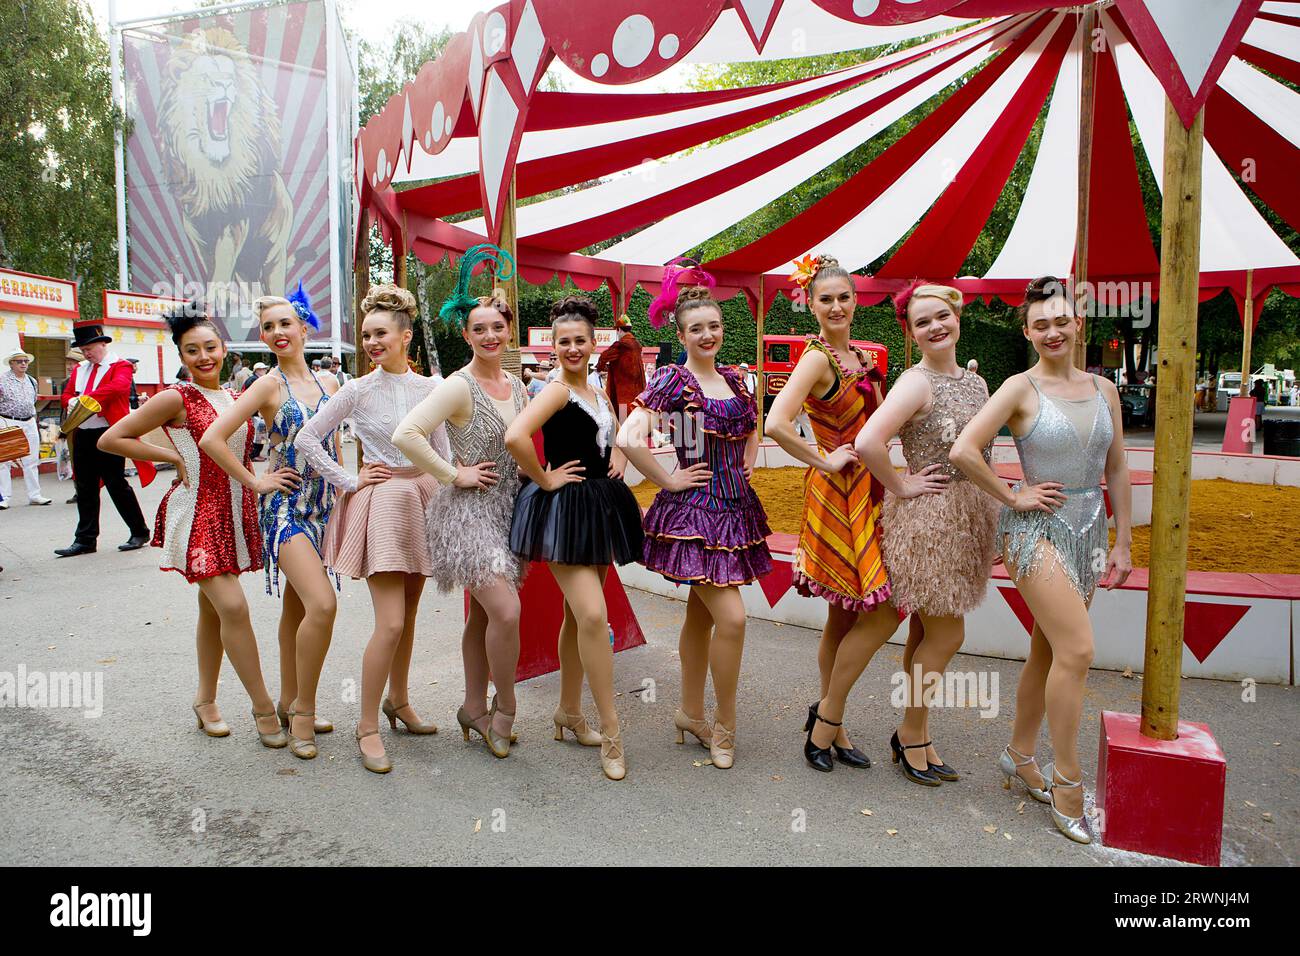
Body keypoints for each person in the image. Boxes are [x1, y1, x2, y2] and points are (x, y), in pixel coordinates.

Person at [951, 275, 1132, 844]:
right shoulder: (1018, 388)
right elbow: (963, 450)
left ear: (1078, 323)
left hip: (1089, 532)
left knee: (1048, 649)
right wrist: (1012, 494)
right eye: (1041, 324)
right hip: (1035, 533)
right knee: (1078, 649)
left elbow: (1118, 468)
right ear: (1027, 331)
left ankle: (1019, 754)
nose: (1053, 331)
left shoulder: (1105, 390)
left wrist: (1123, 539)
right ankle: (1067, 780)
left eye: (1062, 321)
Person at [97, 305, 288, 749]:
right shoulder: (175, 397)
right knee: (235, 610)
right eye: (192, 350)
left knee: (213, 610)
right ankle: (263, 708)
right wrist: (174, 457)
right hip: (198, 512)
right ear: (181, 355)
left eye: (210, 347)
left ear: (224, 349)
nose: (203, 356)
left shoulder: (232, 394)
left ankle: (204, 701)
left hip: (235, 512)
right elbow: (111, 439)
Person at [616, 263, 771, 770]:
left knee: (701, 615)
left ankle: (687, 712)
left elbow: (751, 426)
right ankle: (723, 724)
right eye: (697, 328)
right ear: (680, 334)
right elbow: (626, 437)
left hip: (735, 508)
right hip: (696, 510)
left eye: (715, 326)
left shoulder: (733, 378)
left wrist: (747, 458)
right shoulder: (672, 380)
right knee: (732, 618)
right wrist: (668, 479)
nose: (708, 335)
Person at [297, 283, 450, 774]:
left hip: (424, 499)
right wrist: (350, 479)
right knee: (389, 622)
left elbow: (443, 454)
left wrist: (450, 498)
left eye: (380, 333)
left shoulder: (432, 390)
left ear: (406, 336)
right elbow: (307, 438)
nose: (371, 342)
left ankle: (399, 702)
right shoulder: (358, 389)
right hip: (383, 503)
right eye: (366, 335)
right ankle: (366, 726)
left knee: (409, 613)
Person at [854, 282, 1000, 786]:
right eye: (922, 322)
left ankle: (917, 732)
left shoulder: (978, 383)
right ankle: (911, 731)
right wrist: (900, 483)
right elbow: (868, 440)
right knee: (948, 632)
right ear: (911, 333)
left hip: (967, 518)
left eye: (942, 316)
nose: (935, 326)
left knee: (924, 631)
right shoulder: (916, 383)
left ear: (957, 318)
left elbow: (982, 453)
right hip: (930, 521)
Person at [392, 245, 527, 764]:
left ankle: (472, 706)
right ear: (466, 334)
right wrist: (454, 473)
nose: (490, 335)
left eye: (497, 326)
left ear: (507, 330)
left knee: (482, 619)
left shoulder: (516, 384)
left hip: (508, 512)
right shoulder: (458, 385)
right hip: (466, 516)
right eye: (480, 328)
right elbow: (408, 433)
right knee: (506, 611)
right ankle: (506, 707)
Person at [764, 254, 898, 773]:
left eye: (844, 297)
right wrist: (824, 457)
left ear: (855, 301)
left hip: (868, 490)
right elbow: (777, 422)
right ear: (811, 304)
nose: (837, 306)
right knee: (849, 609)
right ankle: (828, 724)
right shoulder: (817, 358)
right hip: (836, 493)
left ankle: (830, 721)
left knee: (844, 614)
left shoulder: (860, 359)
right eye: (826, 299)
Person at [200, 285, 342, 760]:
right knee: (322, 605)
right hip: (283, 508)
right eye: (268, 327)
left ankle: (286, 701)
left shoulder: (330, 384)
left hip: (324, 508)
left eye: (286, 323)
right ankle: (303, 711)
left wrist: (346, 492)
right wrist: (254, 483)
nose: (278, 332)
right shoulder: (266, 386)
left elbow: (335, 448)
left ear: (305, 328)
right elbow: (213, 439)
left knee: (299, 610)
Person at [505, 294, 643, 781]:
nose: (572, 348)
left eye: (579, 340)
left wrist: (620, 459)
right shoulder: (556, 390)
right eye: (563, 341)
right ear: (552, 346)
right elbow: (515, 437)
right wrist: (543, 479)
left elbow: (615, 433)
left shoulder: (598, 389)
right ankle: (611, 731)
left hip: (597, 505)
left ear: (593, 341)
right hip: (562, 508)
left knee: (574, 616)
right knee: (592, 614)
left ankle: (568, 712)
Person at [54, 320, 156, 557]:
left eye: (89, 348)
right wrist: (71, 401)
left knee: (116, 483)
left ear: (102, 343)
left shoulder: (120, 365)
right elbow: (67, 393)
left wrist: (85, 400)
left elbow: (118, 389)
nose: (86, 353)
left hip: (109, 433)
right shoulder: (81, 369)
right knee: (85, 487)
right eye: (83, 349)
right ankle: (85, 539)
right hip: (83, 433)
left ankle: (139, 531)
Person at [0, 349, 53, 508]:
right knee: (5, 460)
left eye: (25, 361)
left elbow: (33, 399)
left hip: (29, 420)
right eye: (19, 361)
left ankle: (34, 494)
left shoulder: (32, 381)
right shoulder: (2, 380)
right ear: (11, 364)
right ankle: (5, 496)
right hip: (8, 420)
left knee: (31, 459)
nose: (23, 364)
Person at [595, 314, 647, 420]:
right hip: (638, 391)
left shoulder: (621, 345)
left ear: (618, 330)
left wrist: (600, 367)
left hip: (623, 391)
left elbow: (604, 356)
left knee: (623, 422)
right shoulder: (637, 344)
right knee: (636, 418)